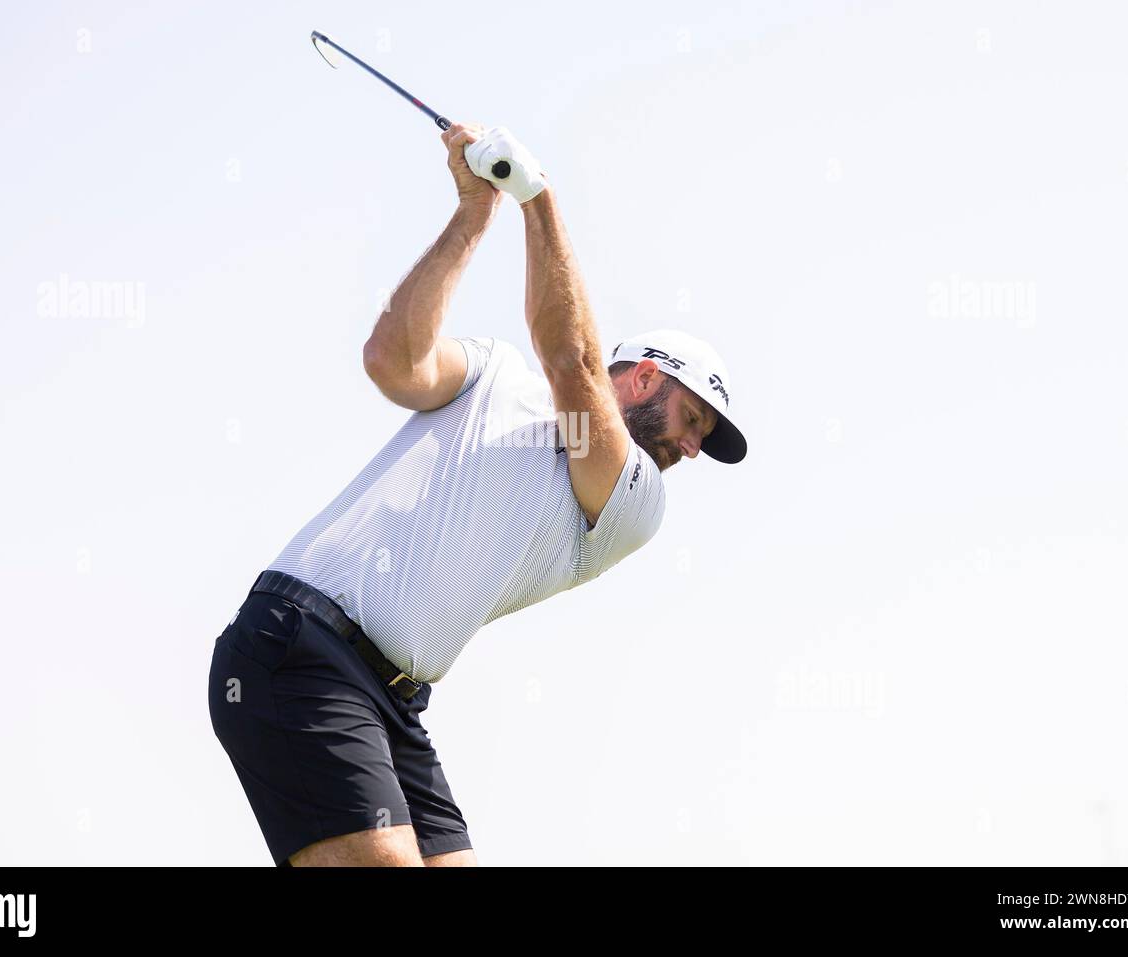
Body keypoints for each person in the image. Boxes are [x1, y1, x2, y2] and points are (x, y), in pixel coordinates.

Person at [208, 122, 747, 867]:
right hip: (299, 648)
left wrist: (539, 198)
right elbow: (393, 360)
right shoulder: (494, 373)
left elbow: (573, 361)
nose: (691, 447)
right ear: (648, 377)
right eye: (694, 421)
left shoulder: (633, 500)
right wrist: (475, 213)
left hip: (394, 700)